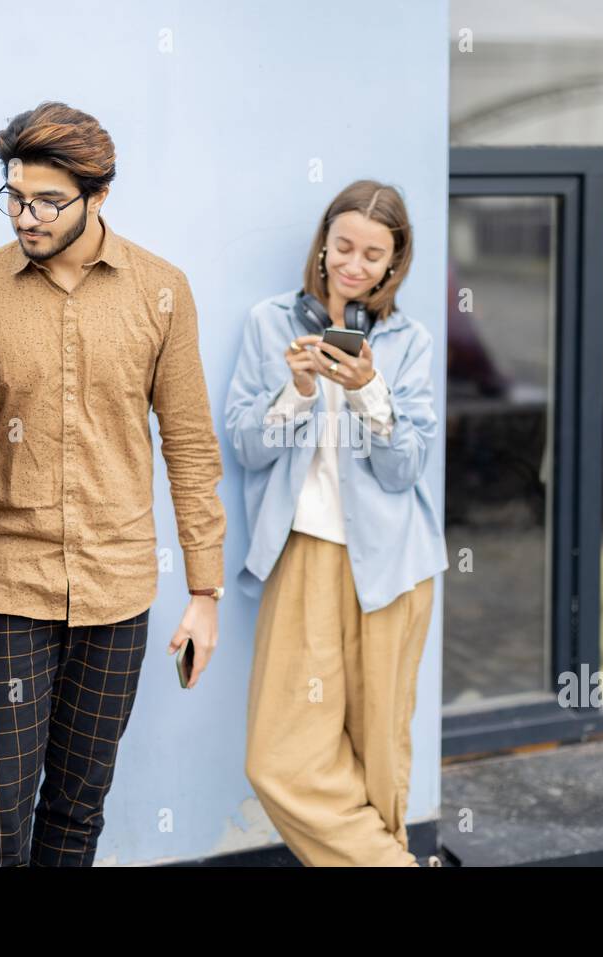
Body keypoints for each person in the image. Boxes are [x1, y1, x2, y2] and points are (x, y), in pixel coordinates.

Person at [0, 101, 227, 867]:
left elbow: (191, 446)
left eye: (46, 202)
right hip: (8, 585)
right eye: (14, 196)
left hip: (118, 588)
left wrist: (204, 592)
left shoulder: (163, 291)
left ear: (98, 197)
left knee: (76, 808)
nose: (25, 217)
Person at [225, 179, 448, 866]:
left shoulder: (410, 341)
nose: (354, 264)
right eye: (343, 245)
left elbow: (404, 469)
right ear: (322, 243)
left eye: (373, 254)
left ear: (394, 262)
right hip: (302, 558)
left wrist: (367, 391)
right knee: (278, 758)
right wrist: (294, 391)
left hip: (392, 565)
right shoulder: (270, 322)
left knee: (379, 755)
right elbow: (245, 445)